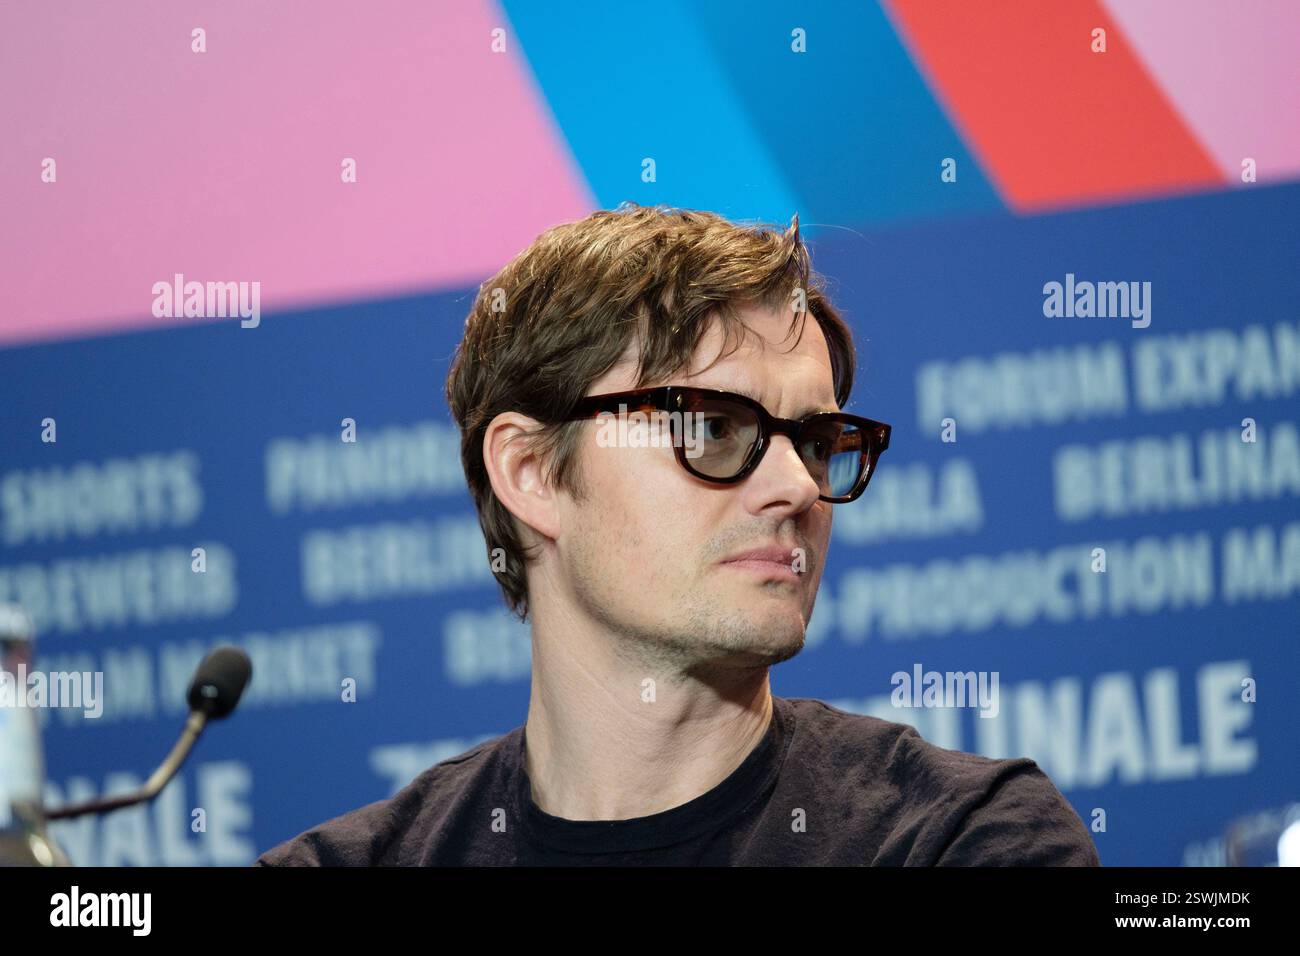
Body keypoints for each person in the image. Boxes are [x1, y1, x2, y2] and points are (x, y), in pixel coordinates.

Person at [256, 204, 1100, 866]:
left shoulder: (963, 839)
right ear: (531, 472)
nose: (797, 485)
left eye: (815, 441)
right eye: (713, 429)